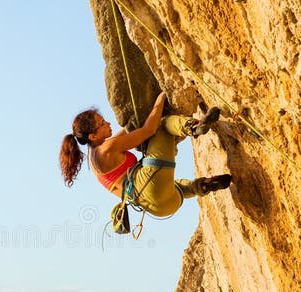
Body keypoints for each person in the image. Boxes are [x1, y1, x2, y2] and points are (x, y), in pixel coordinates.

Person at [59, 91, 231, 217]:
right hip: (149, 183)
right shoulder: (107, 148)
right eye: (102, 123)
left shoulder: (95, 159)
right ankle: (193, 126)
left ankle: (202, 186)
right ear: (92, 136)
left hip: (159, 208)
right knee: (163, 125)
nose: (108, 123)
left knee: (179, 186)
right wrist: (161, 99)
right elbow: (149, 129)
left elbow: (127, 133)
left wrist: (131, 124)